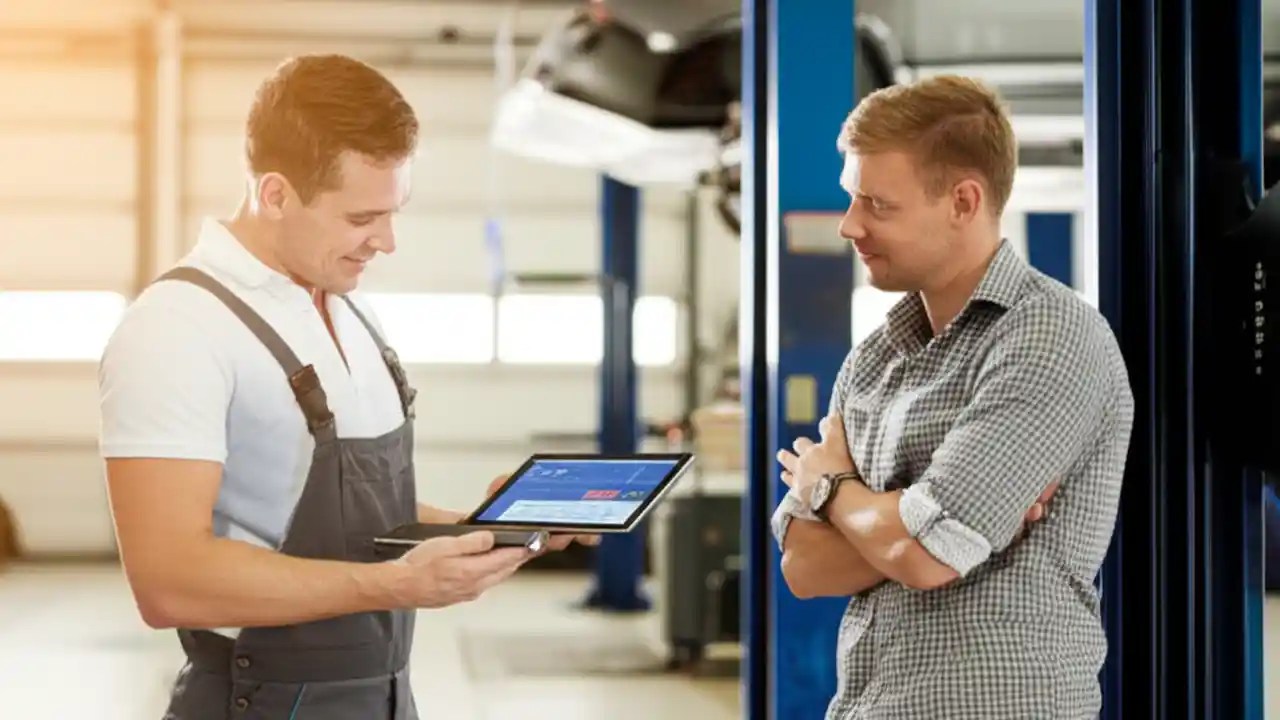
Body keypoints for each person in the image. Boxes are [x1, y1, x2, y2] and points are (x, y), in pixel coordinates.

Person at [98, 54, 594, 720]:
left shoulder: (346, 307)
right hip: (259, 703)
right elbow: (168, 582)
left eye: (394, 212)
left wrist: (495, 529)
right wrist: (390, 585)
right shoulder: (177, 328)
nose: (385, 242)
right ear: (275, 194)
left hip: (383, 697)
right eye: (361, 218)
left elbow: (353, 518)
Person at [772, 75, 1135, 718]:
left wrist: (832, 489)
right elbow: (804, 567)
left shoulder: (1049, 336)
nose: (850, 226)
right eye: (851, 199)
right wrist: (918, 522)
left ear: (963, 201)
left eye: (878, 205)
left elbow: (925, 553)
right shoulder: (876, 358)